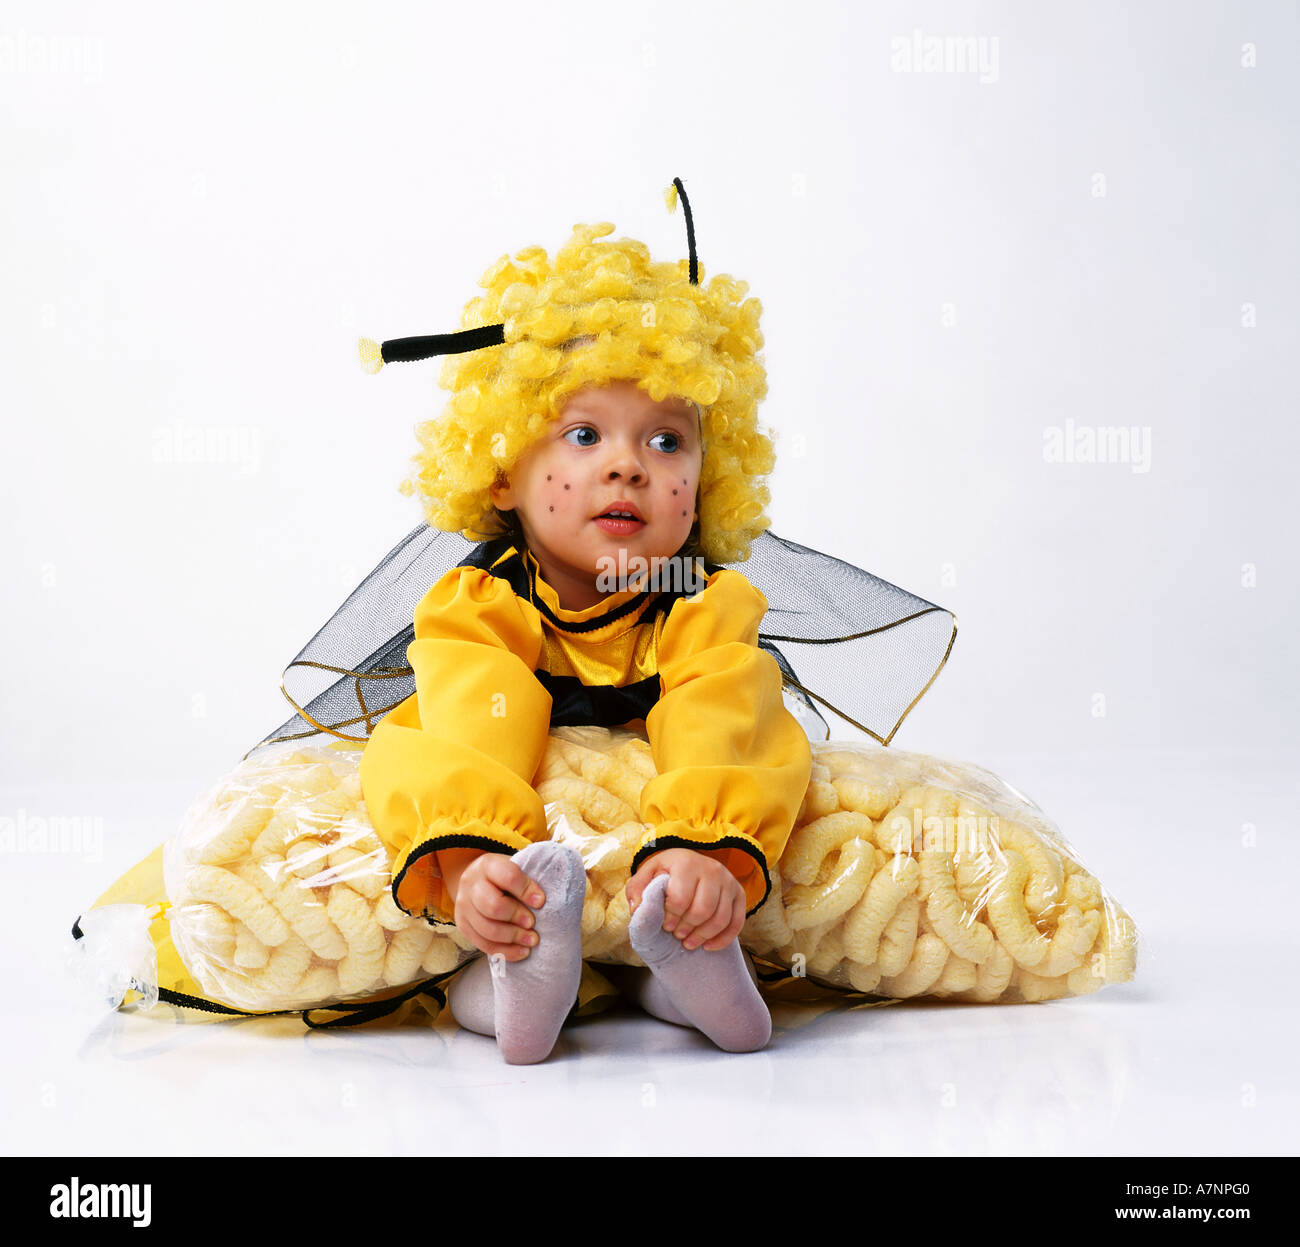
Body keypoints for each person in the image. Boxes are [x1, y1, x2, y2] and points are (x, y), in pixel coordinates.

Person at [358, 190, 815, 1063]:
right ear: (501, 472)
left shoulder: (699, 599)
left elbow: (722, 707)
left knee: (759, 732)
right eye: (582, 432)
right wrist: (474, 863)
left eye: (667, 443)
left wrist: (701, 850)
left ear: (710, 478)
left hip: (656, 884)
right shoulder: (483, 600)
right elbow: (471, 712)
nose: (626, 466)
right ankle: (516, 964)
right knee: (408, 758)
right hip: (535, 883)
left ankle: (687, 966)